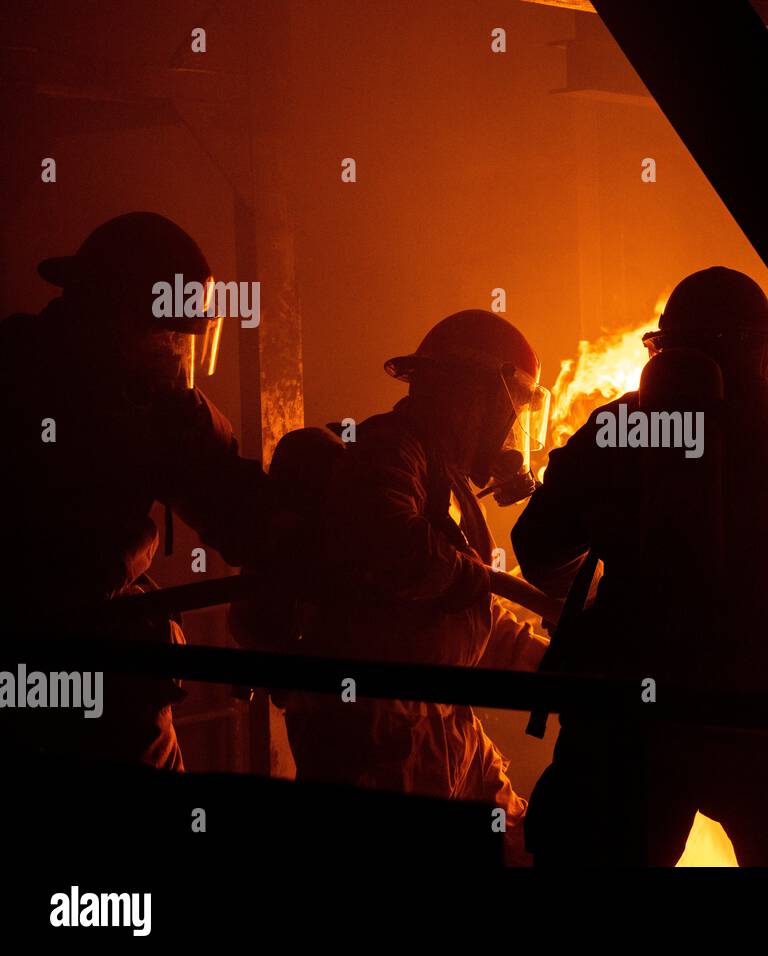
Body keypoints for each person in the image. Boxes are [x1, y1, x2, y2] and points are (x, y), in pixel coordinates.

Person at [512, 266, 768, 866]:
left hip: (623, 716)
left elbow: (538, 543)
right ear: (762, 352)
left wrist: (604, 609)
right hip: (759, 710)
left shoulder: (616, 430)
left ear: (666, 346)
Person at [0, 212, 270, 770]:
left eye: (181, 338)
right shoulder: (25, 380)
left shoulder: (146, 399)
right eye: (164, 334)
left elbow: (237, 509)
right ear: (114, 317)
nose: (173, 354)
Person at [281, 310, 552, 865]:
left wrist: (553, 665)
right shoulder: (389, 449)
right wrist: (474, 577)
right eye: (514, 407)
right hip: (378, 737)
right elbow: (386, 541)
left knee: (528, 847)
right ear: (476, 395)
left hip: (442, 723)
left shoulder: (444, 479)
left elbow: (470, 613)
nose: (512, 429)